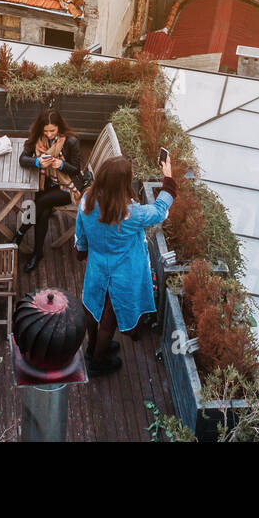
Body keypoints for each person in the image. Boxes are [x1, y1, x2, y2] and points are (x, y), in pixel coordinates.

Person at [74, 153, 177, 377]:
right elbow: (160, 210)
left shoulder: (86, 200)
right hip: (123, 272)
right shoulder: (131, 214)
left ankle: (91, 349)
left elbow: (80, 235)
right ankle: (98, 362)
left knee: (92, 307)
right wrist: (168, 178)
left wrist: (81, 251)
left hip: (97, 266)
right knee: (109, 321)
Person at [14, 110, 83, 273]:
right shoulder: (37, 138)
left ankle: (21, 233)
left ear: (59, 127)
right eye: (46, 131)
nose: (49, 134)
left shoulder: (71, 141)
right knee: (42, 212)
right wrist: (38, 162)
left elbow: (76, 169)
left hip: (69, 185)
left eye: (52, 130)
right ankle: (37, 253)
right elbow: (23, 159)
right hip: (49, 182)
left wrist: (61, 165)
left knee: (41, 202)